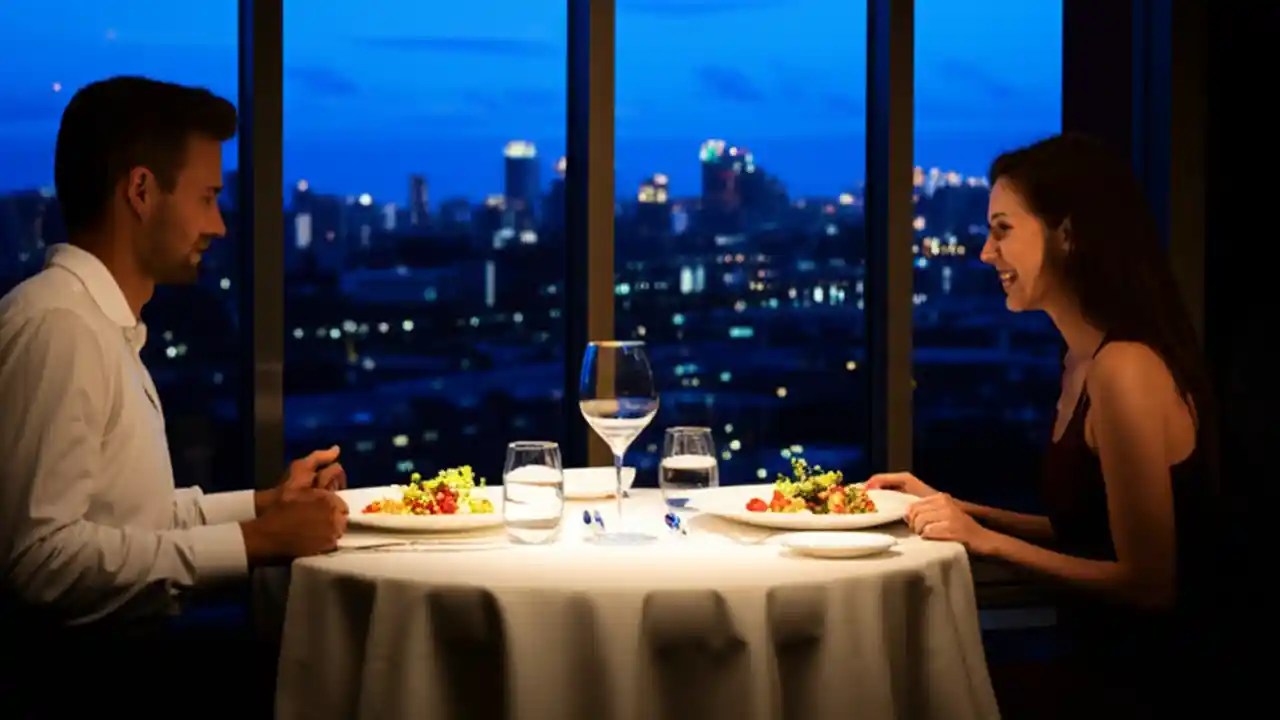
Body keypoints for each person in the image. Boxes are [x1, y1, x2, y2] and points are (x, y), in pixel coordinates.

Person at [0, 76, 348, 716]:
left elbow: (131, 522)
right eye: (207, 198)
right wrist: (257, 541)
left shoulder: (97, 324)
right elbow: (42, 561)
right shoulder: (59, 327)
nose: (219, 224)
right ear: (140, 191)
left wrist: (267, 506)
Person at [868, 133, 1223, 718]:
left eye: (1002, 230)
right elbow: (1089, 531)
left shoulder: (1124, 368)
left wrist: (983, 539)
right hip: (1098, 665)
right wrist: (953, 508)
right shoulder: (1083, 363)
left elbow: (1149, 583)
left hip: (1145, 687)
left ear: (1067, 234)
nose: (986, 253)